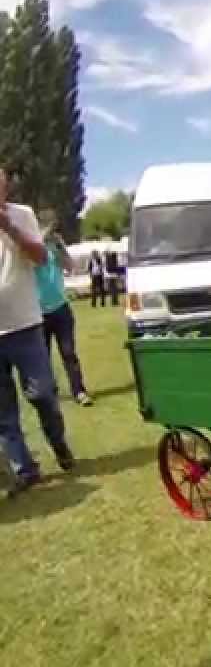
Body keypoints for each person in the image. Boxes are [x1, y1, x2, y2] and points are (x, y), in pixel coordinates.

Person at [0, 165, 75, 497]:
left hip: (26, 324)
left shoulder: (22, 215)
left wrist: (10, 229)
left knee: (42, 394)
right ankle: (24, 469)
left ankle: (57, 442)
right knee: (3, 411)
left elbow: (41, 257)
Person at [34, 224, 93, 406]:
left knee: (69, 353)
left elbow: (70, 267)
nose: (50, 232)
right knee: (43, 357)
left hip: (61, 309)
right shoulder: (32, 250)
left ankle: (79, 391)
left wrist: (60, 247)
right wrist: (39, 241)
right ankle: (50, 392)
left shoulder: (55, 248)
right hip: (38, 313)